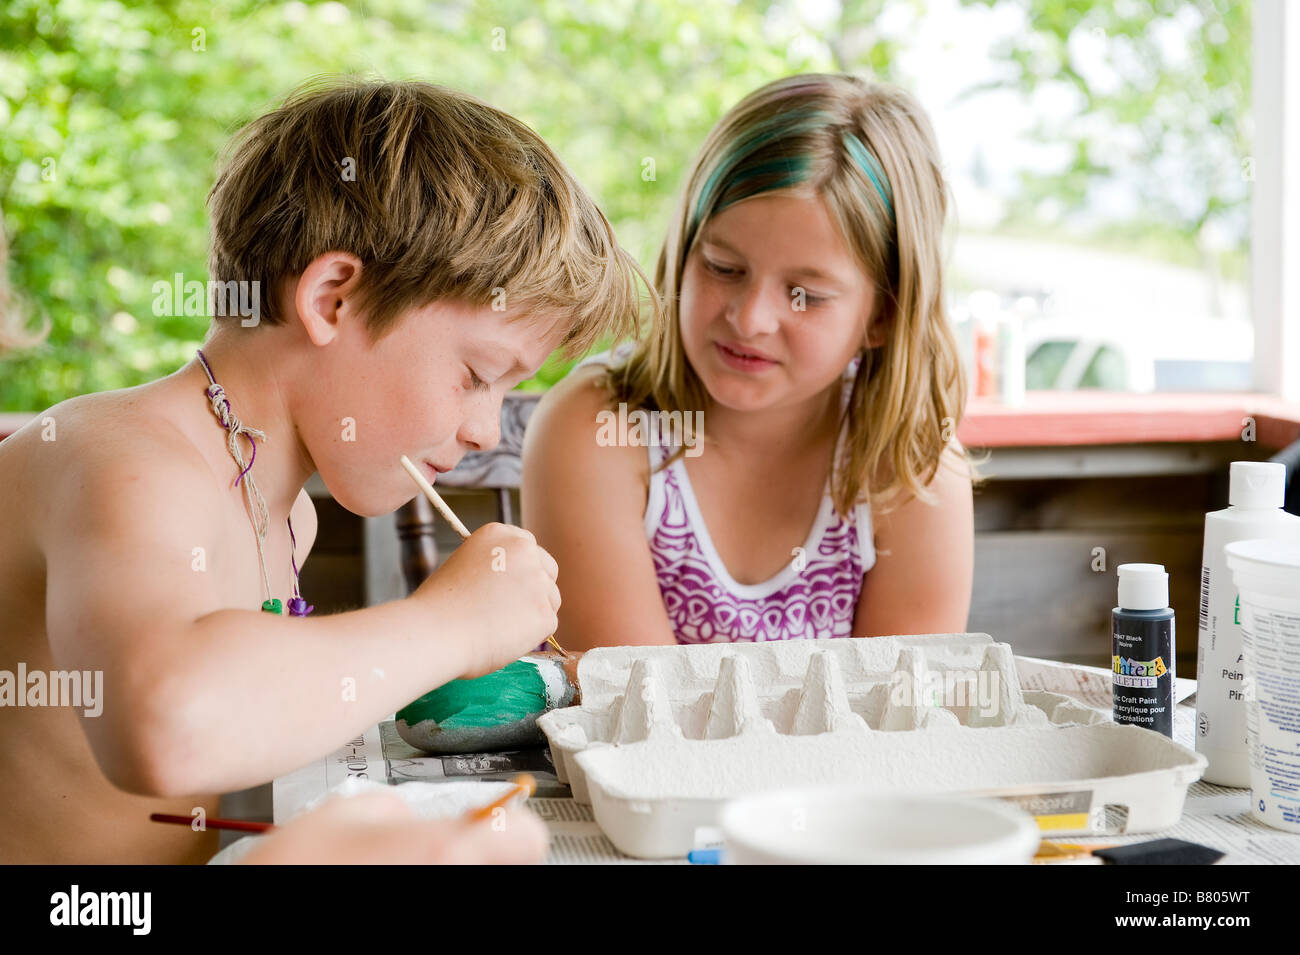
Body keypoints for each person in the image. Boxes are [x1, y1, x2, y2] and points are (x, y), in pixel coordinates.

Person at [0, 78, 646, 863]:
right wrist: (454, 622)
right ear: (332, 298)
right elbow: (164, 725)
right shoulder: (123, 459)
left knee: (494, 838)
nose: (484, 427)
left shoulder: (286, 509)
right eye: (477, 375)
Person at [523, 73, 974, 649]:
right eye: (723, 267)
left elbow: (902, 722)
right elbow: (631, 713)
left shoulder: (912, 466)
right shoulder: (597, 429)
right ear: (684, 253)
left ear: (883, 315)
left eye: (805, 295)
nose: (750, 317)